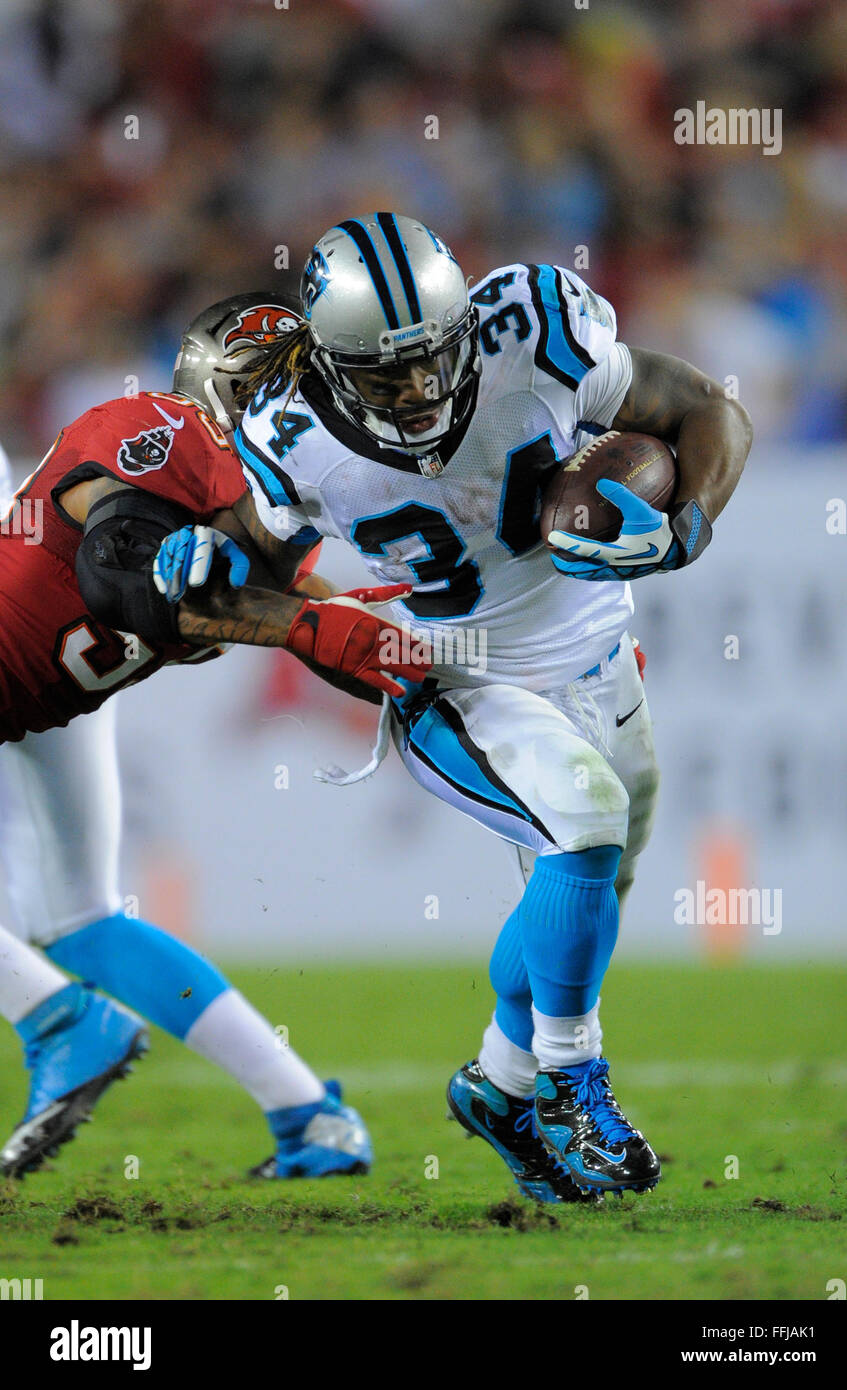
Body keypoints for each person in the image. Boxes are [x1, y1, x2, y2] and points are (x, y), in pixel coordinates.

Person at [157, 214, 752, 1202]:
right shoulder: (289, 431)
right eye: (388, 376)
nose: (422, 389)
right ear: (330, 365)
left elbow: (704, 410)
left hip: (600, 657)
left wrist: (683, 524)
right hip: (455, 675)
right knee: (586, 824)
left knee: (588, 878)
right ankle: (569, 1082)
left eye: (432, 358)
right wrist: (208, 561)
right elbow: (247, 564)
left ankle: (501, 1081)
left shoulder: (529, 324)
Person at [0, 294, 429, 1180]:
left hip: (37, 693)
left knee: (76, 912)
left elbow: (351, 636)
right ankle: (301, 1112)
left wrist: (498, 674)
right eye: (280, 391)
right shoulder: (161, 433)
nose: (304, 409)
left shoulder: (280, 521)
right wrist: (309, 626)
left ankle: (293, 1110)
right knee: (73, 914)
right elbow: (123, 571)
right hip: (29, 662)